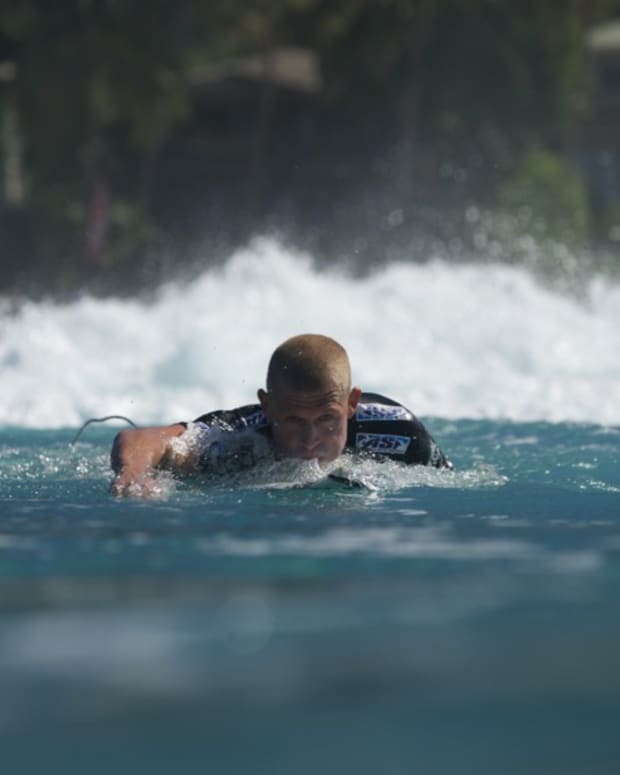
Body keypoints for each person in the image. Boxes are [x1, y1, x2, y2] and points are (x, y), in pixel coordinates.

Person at [111, 333, 452, 496]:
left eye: (327, 420)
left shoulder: (399, 431)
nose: (310, 440)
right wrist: (136, 472)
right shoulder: (239, 438)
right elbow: (144, 438)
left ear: (351, 404)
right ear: (268, 406)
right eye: (293, 421)